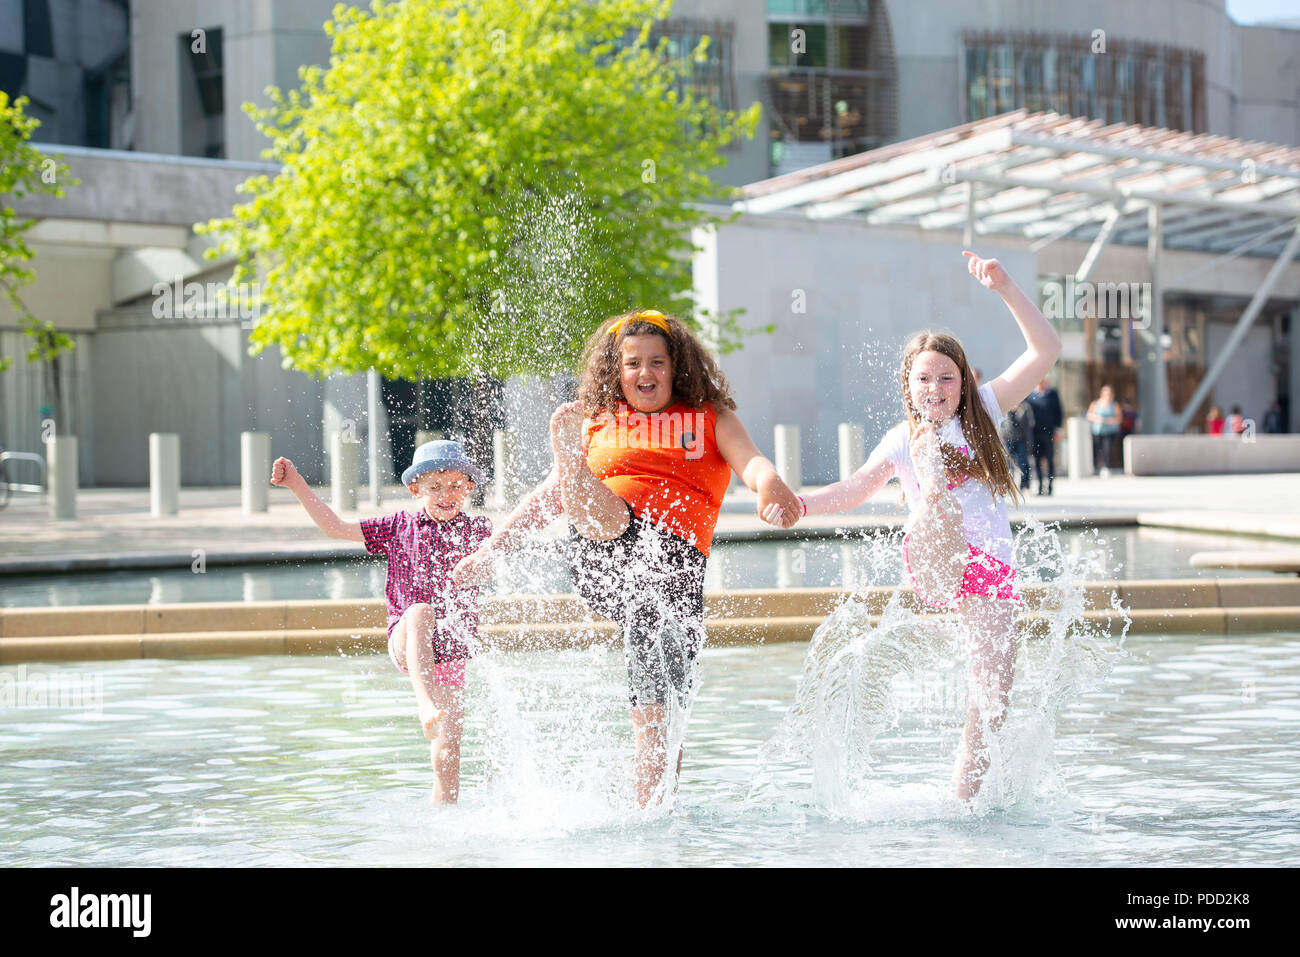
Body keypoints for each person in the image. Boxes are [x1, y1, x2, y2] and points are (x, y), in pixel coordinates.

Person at [453, 309, 800, 807]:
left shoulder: (710, 418)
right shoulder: (598, 422)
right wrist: (490, 553)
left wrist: (771, 486)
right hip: (606, 552)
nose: (645, 373)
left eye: (656, 362)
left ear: (676, 365)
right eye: (633, 363)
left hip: (674, 575)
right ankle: (571, 465)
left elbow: (753, 463)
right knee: (609, 511)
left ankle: (654, 820)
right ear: (617, 371)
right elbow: (544, 501)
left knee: (662, 715)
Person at [767, 251, 1061, 803]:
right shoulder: (904, 438)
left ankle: (963, 803)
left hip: (989, 570)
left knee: (993, 695)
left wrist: (1004, 287)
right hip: (935, 559)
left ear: (963, 384)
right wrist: (798, 505)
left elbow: (1046, 349)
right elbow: (853, 490)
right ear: (908, 385)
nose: (934, 388)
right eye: (923, 378)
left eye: (946, 378)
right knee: (930, 479)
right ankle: (933, 489)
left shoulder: (989, 411)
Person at [271, 440, 492, 804]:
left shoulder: (478, 528)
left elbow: (492, 561)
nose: (446, 494)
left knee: (448, 753)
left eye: (455, 485)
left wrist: (481, 566)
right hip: (406, 640)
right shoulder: (397, 526)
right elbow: (335, 527)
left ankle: (446, 826)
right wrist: (296, 483)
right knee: (421, 611)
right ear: (415, 489)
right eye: (435, 487)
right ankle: (424, 702)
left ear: (469, 487)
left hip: (451, 653)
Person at [1025, 377, 1063, 495]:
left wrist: (1058, 429)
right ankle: (1041, 486)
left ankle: (1050, 486)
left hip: (1049, 432)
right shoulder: (1030, 396)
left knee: (1050, 460)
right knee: (1036, 460)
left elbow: (1058, 412)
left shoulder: (1052, 394)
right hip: (1035, 433)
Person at [998, 396, 1034, 490]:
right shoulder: (1006, 408)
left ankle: (1024, 484)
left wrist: (1030, 443)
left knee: (1023, 463)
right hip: (1008, 440)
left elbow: (1028, 427)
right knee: (1008, 463)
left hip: (1021, 440)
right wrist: (1011, 412)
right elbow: (1003, 424)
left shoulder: (1025, 408)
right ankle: (1009, 484)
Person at [1086, 384, 1121, 475]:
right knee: (1096, 449)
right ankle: (1094, 467)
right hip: (1097, 430)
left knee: (1107, 449)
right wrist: (1098, 418)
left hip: (1109, 431)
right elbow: (1089, 415)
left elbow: (1119, 418)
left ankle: (1106, 467)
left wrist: (1110, 420)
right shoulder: (1096, 403)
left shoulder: (1114, 405)